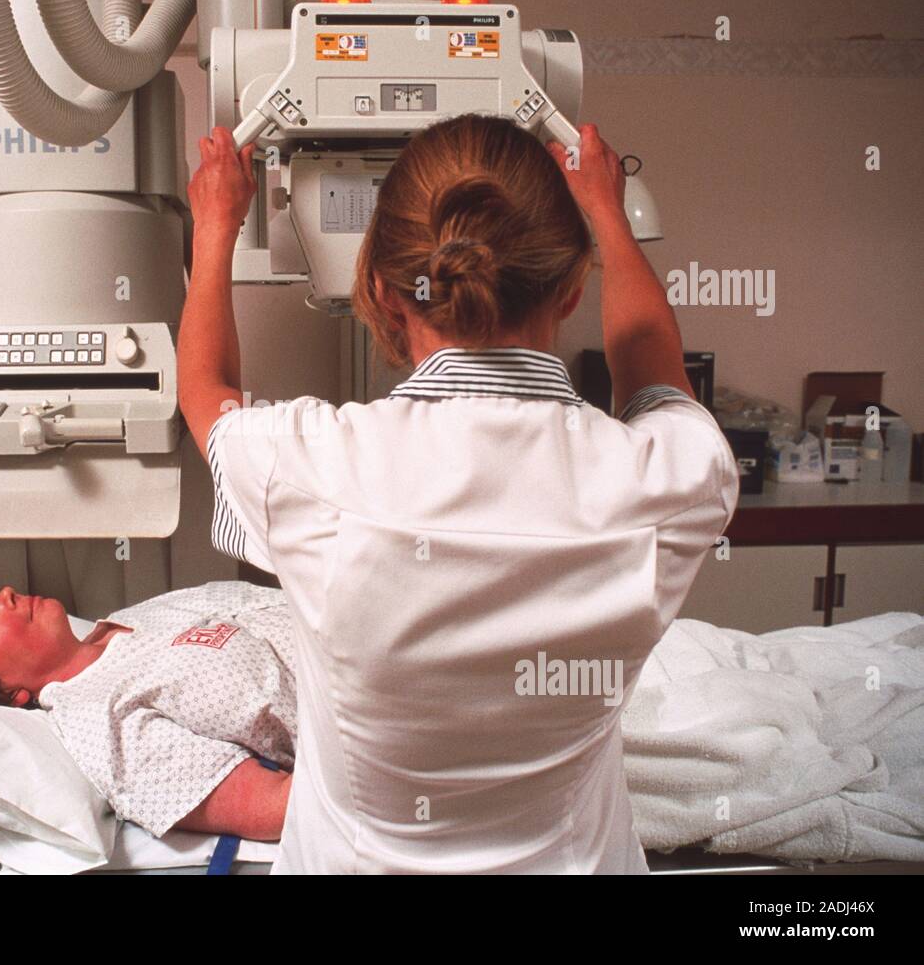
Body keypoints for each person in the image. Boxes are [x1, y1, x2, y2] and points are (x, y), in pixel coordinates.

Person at [177, 114, 740, 872]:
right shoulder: (668, 480)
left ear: (380, 286)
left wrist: (214, 224)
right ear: (574, 286)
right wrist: (607, 209)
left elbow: (204, 391)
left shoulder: (306, 466)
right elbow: (656, 373)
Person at [0, 581, 296, 842]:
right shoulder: (103, 723)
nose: (4, 595)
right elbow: (280, 807)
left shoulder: (129, 618)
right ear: (9, 693)